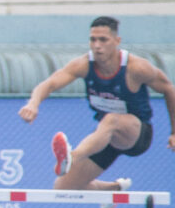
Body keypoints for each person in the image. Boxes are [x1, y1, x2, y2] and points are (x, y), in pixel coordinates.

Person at [18, 15, 175, 193]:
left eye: (103, 40)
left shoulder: (136, 68)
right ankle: (114, 189)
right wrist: (33, 104)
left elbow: (169, 89)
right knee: (63, 186)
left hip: (136, 134)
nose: (97, 46)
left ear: (117, 41)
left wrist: (174, 131)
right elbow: (50, 83)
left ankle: (71, 156)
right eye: (93, 40)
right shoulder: (84, 64)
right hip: (105, 137)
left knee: (112, 120)